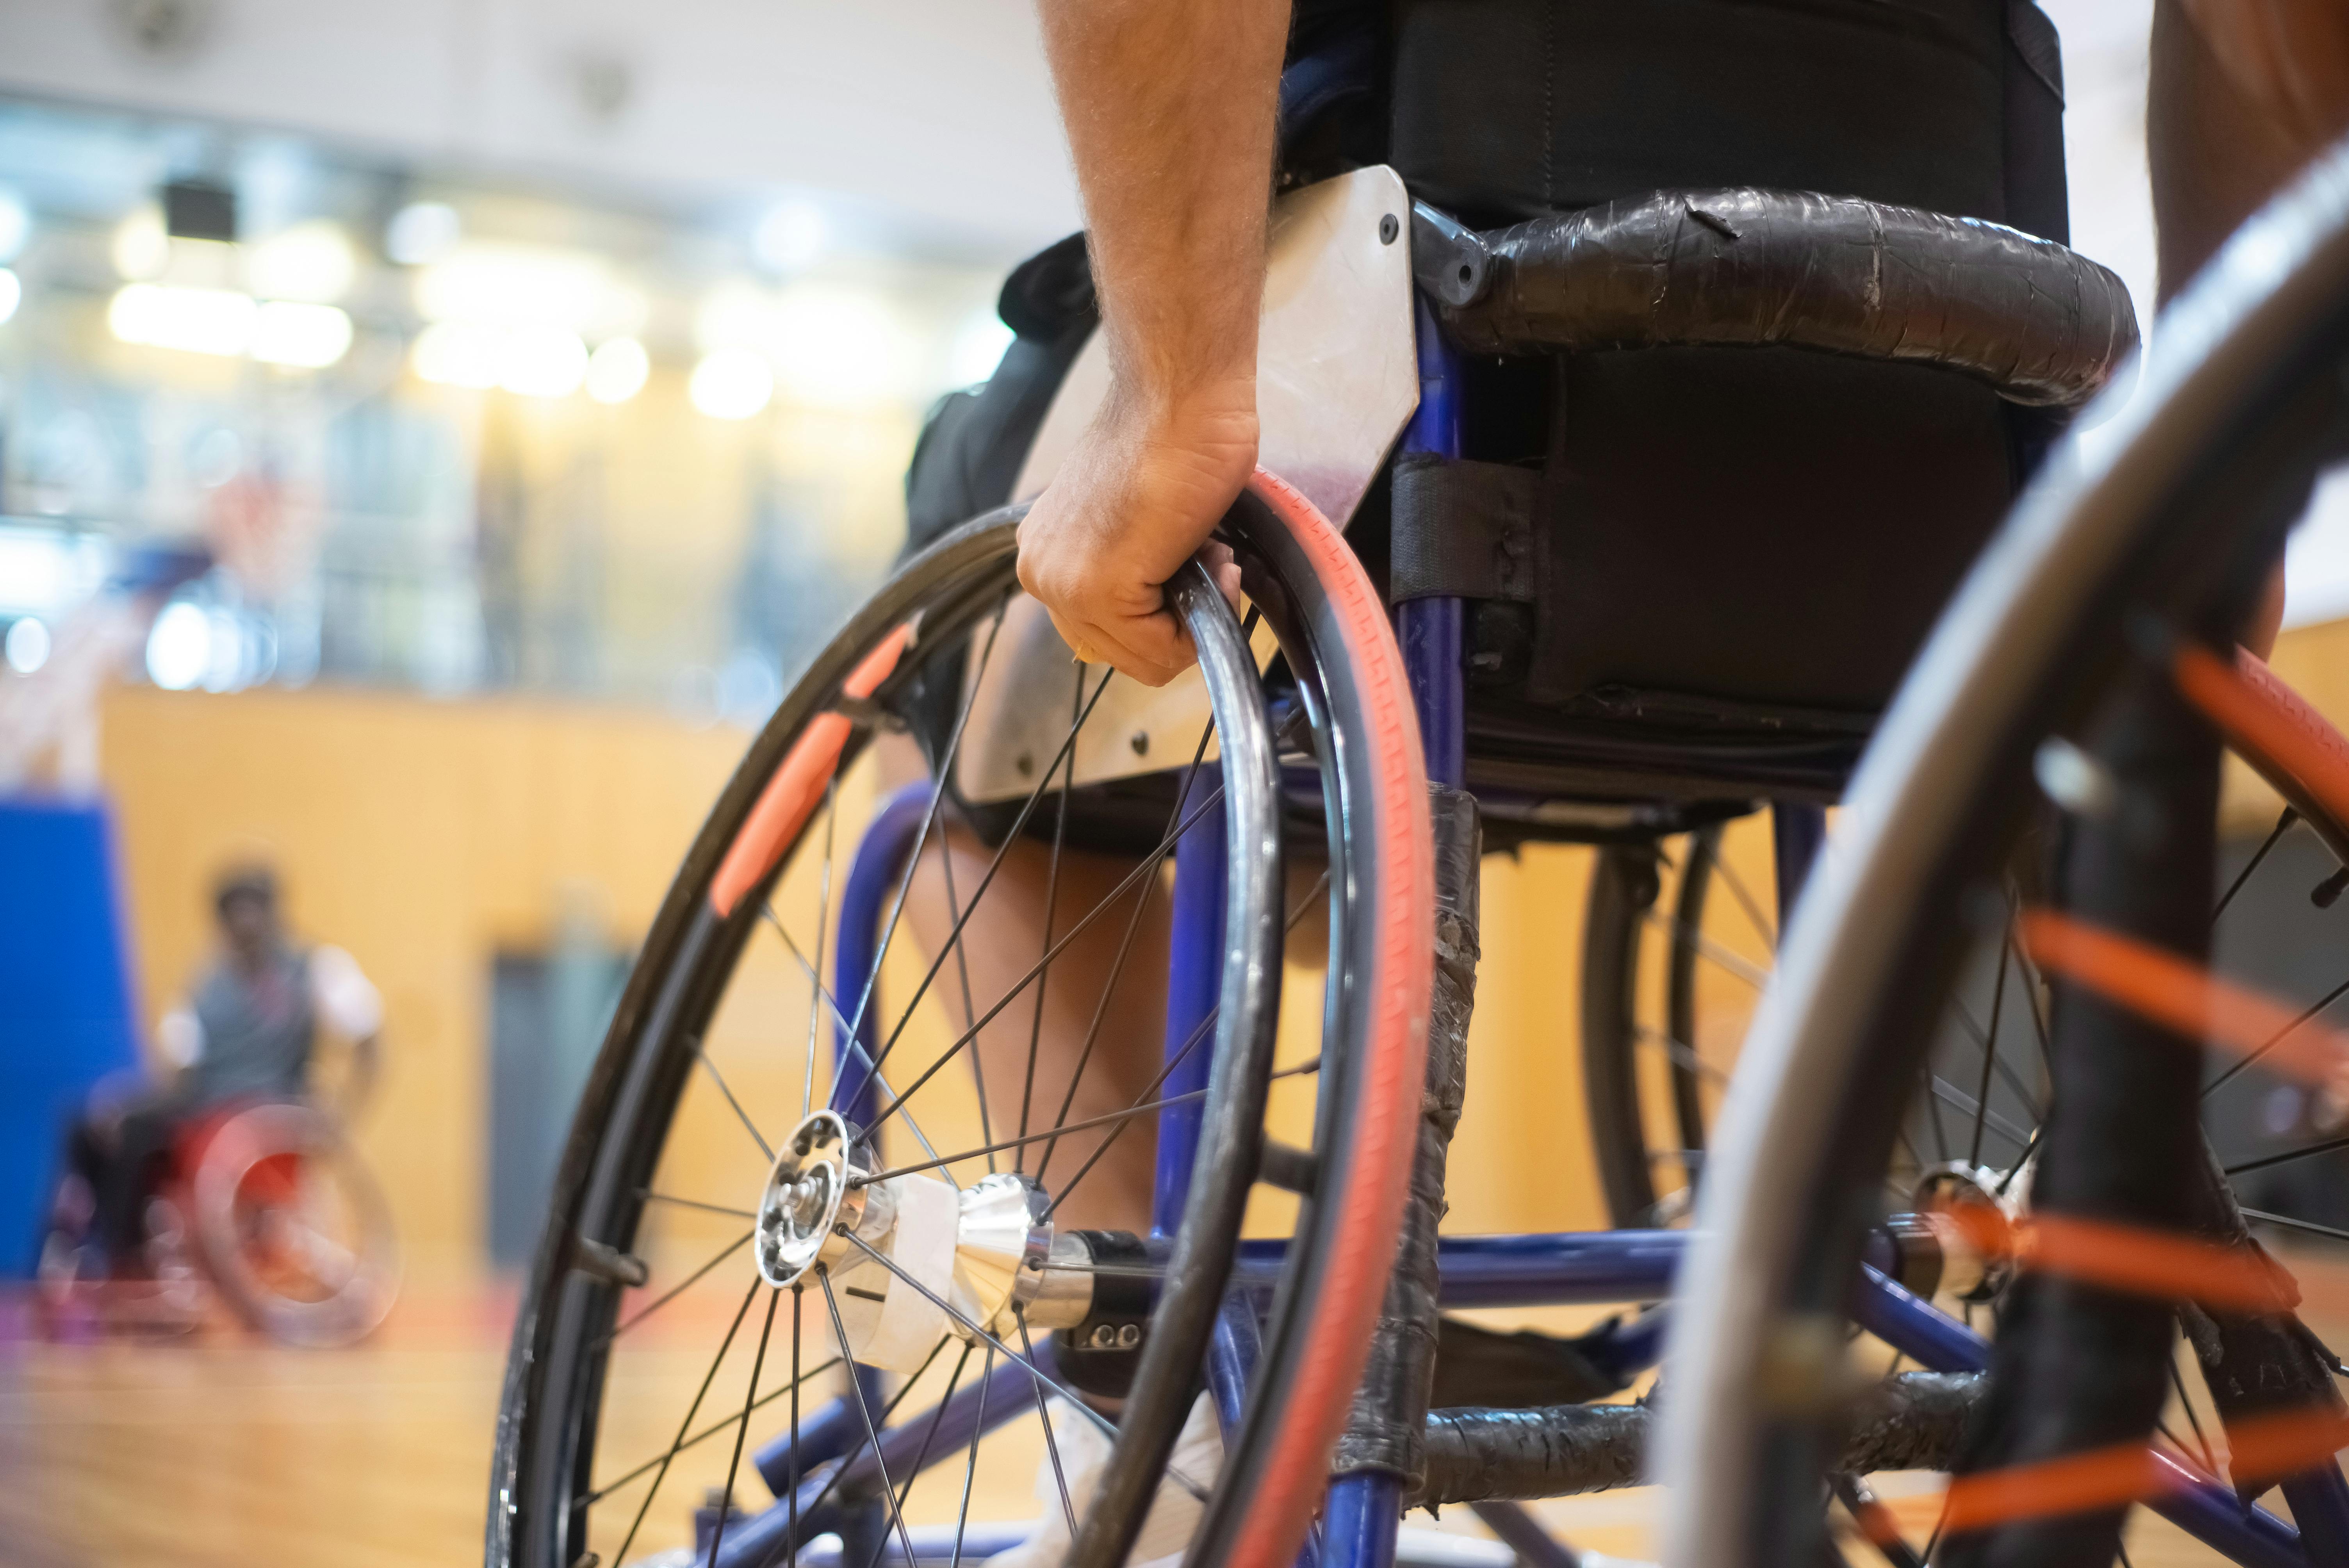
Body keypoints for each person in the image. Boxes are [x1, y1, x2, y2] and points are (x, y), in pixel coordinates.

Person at [61, 862, 382, 1275]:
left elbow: (369, 1037)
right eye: (234, 910)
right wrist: (125, 1107)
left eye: (254, 907)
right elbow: (182, 1071)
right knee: (90, 1125)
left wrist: (346, 1110)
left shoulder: (314, 968)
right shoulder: (205, 986)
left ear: (274, 911)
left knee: (136, 1133)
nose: (245, 920)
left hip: (269, 1106)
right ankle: (113, 1247)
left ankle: (121, 1261)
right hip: (207, 1102)